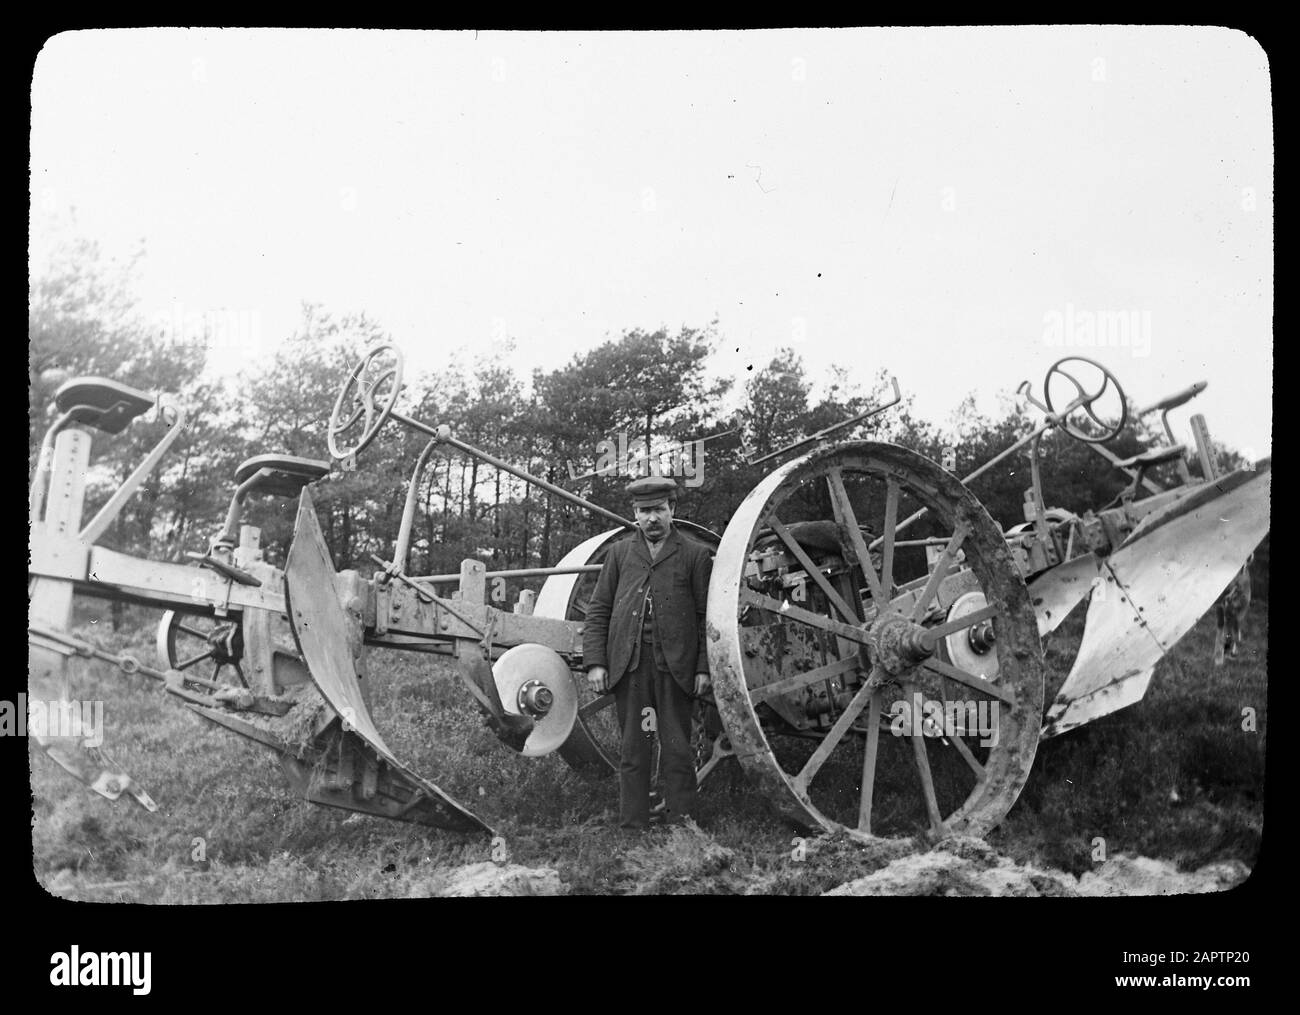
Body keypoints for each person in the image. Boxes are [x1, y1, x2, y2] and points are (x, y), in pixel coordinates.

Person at [583, 476, 712, 830]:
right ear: (634, 514)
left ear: (673, 509)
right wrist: (596, 662)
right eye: (644, 511)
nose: (651, 518)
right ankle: (632, 826)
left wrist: (702, 668)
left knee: (677, 750)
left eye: (658, 509)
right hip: (632, 669)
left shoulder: (695, 556)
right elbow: (599, 610)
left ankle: (681, 826)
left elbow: (705, 617)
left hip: (676, 669)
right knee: (634, 750)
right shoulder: (620, 554)